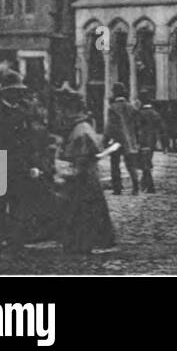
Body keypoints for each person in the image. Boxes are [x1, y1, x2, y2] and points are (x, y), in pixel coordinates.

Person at [0, 83, 45, 261]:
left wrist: (33, 164)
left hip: (18, 168)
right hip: (0, 167)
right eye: (17, 93)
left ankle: (16, 247)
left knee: (17, 209)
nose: (21, 96)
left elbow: (30, 143)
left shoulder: (21, 112)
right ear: (7, 94)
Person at [58, 90, 116, 255]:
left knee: (82, 210)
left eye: (64, 110)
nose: (61, 114)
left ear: (71, 110)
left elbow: (83, 157)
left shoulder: (81, 130)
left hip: (83, 178)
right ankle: (80, 242)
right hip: (83, 176)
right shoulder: (80, 127)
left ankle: (82, 243)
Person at [105, 85, 140, 195]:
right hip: (129, 140)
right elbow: (137, 125)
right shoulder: (131, 107)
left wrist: (106, 139)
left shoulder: (112, 108)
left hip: (117, 140)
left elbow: (110, 126)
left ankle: (117, 188)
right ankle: (136, 187)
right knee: (131, 165)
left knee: (115, 164)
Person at [135, 102, 165, 193]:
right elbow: (162, 129)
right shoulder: (155, 114)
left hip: (142, 140)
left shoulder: (140, 114)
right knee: (147, 161)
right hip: (152, 141)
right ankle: (145, 184)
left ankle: (148, 185)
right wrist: (164, 144)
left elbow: (136, 127)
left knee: (145, 163)